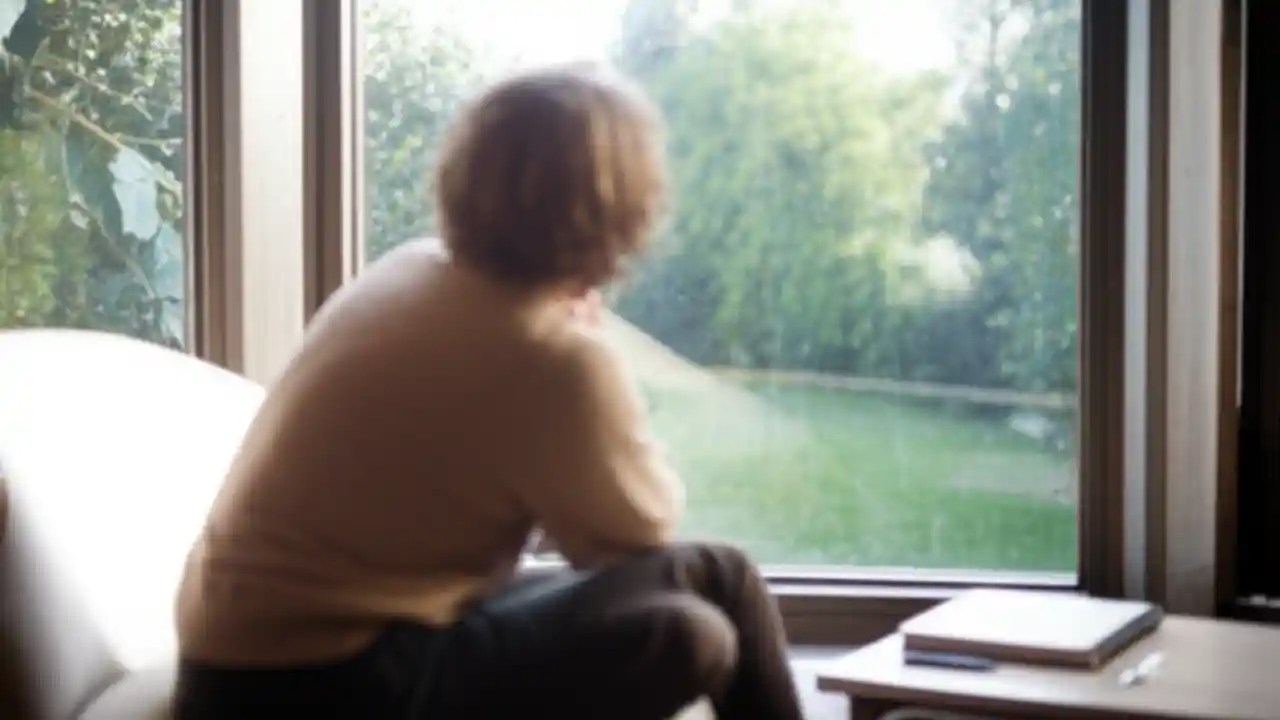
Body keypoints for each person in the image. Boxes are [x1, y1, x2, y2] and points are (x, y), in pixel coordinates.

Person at [173, 65, 803, 720]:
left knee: (722, 575)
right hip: (316, 686)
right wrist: (591, 359)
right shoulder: (549, 359)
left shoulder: (408, 269)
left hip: (246, 660)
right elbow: (633, 531)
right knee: (688, 636)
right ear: (620, 210)